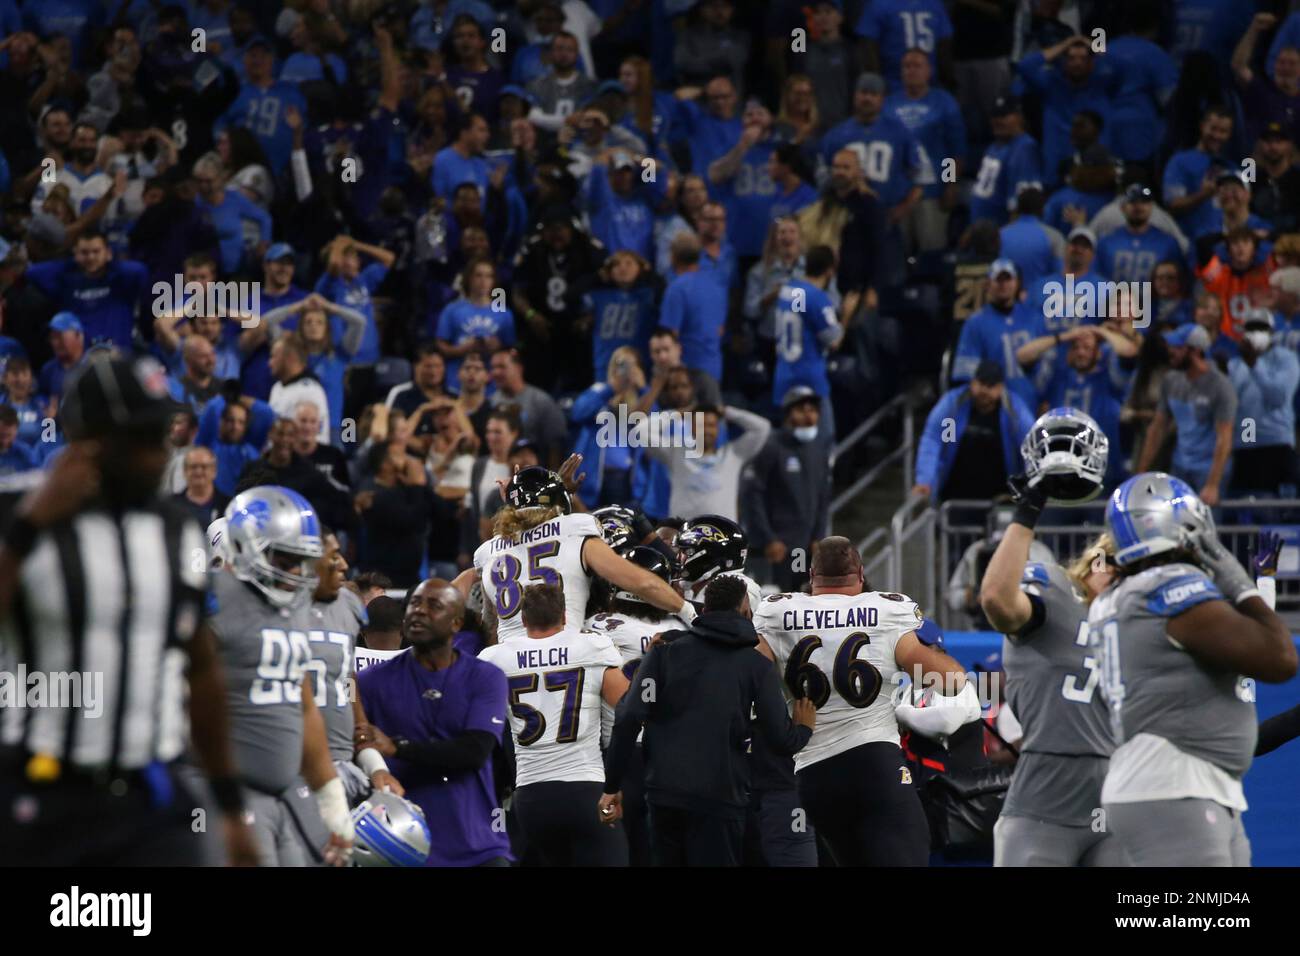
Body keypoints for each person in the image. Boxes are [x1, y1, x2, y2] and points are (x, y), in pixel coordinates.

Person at [0, 355, 257, 866]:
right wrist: (29, 528)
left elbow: (199, 666)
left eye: (163, 434)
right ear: (90, 439)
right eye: (144, 437)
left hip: (150, 799)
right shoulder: (15, 512)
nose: (161, 453)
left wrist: (229, 805)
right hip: (38, 793)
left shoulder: (178, 529)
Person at [1092, 474, 1297, 865]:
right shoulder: (1169, 590)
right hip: (1173, 785)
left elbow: (1241, 644)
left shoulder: (1125, 597)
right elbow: (1279, 657)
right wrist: (1239, 579)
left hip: (1180, 782)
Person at [753, 536, 975, 866]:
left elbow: (750, 678)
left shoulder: (777, 611)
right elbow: (950, 680)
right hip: (874, 765)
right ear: (860, 573)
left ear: (812, 576)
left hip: (814, 776)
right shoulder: (886, 609)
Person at [978, 409, 1125, 866]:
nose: (1125, 575)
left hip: (1119, 800)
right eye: (1116, 562)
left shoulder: (1139, 624)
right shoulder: (1055, 590)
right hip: (1045, 800)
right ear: (1095, 562)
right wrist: (1030, 506)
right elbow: (998, 601)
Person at [601, 575, 816, 867]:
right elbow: (781, 739)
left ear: (702, 611)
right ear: (745, 613)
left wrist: (612, 784)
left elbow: (628, 717)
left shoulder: (664, 651)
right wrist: (803, 729)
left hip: (665, 794)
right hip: (721, 798)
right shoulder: (756, 666)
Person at [213, 485, 356, 866]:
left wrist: (332, 801)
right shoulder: (212, 599)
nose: (294, 572)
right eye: (285, 558)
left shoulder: (290, 605)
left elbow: (304, 705)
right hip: (225, 795)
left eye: (301, 561)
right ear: (244, 545)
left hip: (283, 794)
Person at [355, 578, 513, 867]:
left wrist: (397, 747)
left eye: (433, 605)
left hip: (476, 844)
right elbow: (359, 744)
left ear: (455, 623)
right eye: (414, 603)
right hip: (401, 844)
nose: (419, 611)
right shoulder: (369, 682)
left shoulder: (486, 677)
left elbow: (474, 752)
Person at [479, 582, 629, 866]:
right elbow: (627, 707)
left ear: (523, 620)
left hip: (531, 797)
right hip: (585, 789)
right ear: (564, 617)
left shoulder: (494, 659)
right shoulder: (591, 646)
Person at [464, 466, 694, 647]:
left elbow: (491, 628)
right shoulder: (576, 531)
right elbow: (641, 582)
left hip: (511, 663)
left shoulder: (488, 552)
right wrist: (687, 611)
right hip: (570, 656)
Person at [583, 546, 677, 867]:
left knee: (621, 848)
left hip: (619, 755)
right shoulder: (683, 632)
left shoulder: (596, 626)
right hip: (671, 754)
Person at [303, 529, 401, 803]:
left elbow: (346, 680)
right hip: (287, 766)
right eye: (334, 556)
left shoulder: (346, 604)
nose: (344, 565)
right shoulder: (269, 608)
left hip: (341, 763)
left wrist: (375, 764)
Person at [743, 387, 833, 593]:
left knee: (800, 596)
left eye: (813, 410)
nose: (809, 415)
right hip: (776, 547)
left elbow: (823, 499)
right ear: (788, 413)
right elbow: (753, 495)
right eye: (802, 409)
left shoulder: (818, 451)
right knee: (775, 599)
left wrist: (818, 537)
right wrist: (768, 539)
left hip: (803, 548)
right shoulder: (772, 446)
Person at [1135, 324, 1237, 506]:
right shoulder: (1171, 381)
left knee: (1206, 529)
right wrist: (1140, 474)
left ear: (1195, 351)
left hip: (1208, 471)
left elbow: (1224, 438)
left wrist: (1213, 484)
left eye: (1177, 347)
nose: (1170, 351)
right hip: (1180, 467)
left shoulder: (1221, 386)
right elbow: (1157, 429)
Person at [913, 361, 1037, 502]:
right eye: (981, 383)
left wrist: (1031, 486)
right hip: (955, 497)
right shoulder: (954, 409)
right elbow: (935, 443)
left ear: (1001, 387)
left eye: (991, 386)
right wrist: (925, 480)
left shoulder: (1013, 413)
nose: (984, 390)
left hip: (1001, 497)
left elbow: (1031, 447)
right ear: (972, 382)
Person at [645, 402, 771, 521]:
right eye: (700, 425)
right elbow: (643, 431)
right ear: (691, 428)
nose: (706, 431)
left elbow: (762, 427)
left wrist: (727, 411)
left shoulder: (734, 454)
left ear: (718, 428)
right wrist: (679, 413)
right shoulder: (675, 452)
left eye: (711, 425)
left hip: (723, 534)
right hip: (683, 533)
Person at [1227, 311, 1300, 497]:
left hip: (1277, 442)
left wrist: (1254, 365)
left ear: (1271, 332)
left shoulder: (1286, 359)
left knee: (1279, 510)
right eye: (1251, 329)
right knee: (1245, 507)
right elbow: (1236, 404)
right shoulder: (1236, 364)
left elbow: (1278, 398)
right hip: (1246, 442)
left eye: (1261, 328)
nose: (1255, 333)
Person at [772, 245, 843, 430]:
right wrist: (847, 317)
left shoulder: (791, 290)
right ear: (829, 271)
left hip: (786, 376)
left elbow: (801, 317)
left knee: (789, 446)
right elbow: (834, 342)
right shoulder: (817, 298)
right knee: (822, 445)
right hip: (809, 381)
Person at [969, 96, 1043, 227]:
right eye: (995, 115)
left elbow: (954, 155)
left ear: (1020, 117)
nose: (998, 120)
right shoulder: (993, 146)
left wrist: (949, 183)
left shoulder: (1024, 149)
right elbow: (949, 157)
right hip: (979, 228)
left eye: (1004, 116)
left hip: (997, 233)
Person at [173, 445, 228, 527]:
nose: (198, 472)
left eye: (204, 466)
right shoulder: (172, 505)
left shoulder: (227, 505)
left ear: (214, 471)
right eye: (193, 467)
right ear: (184, 471)